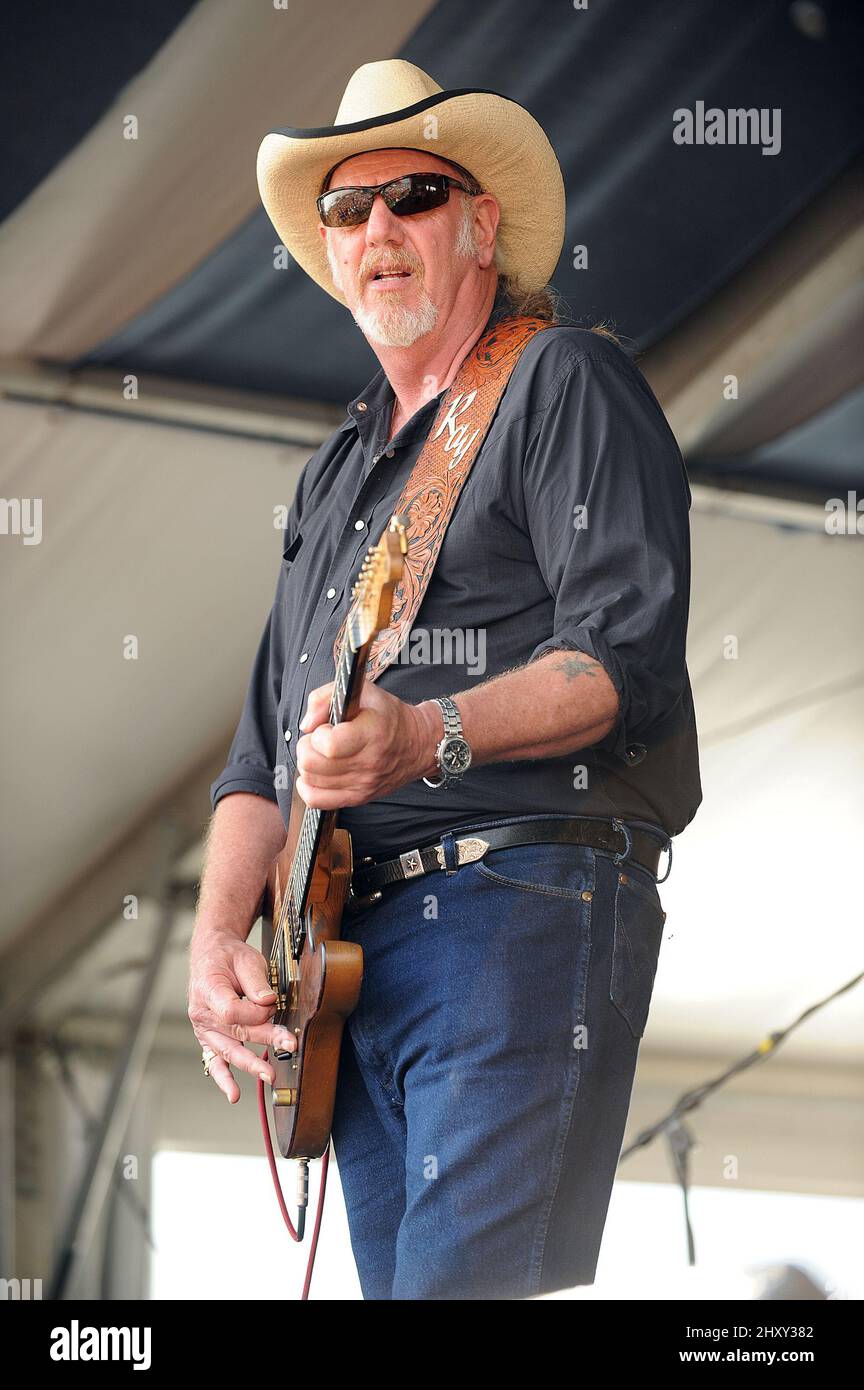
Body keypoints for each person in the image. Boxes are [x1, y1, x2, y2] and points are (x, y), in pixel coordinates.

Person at [187, 59, 702, 1300]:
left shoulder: (560, 379)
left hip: (513, 905)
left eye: (412, 195)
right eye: (348, 212)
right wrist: (211, 942)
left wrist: (425, 736)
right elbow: (261, 756)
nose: (378, 231)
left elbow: (621, 657)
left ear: (482, 228)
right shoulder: (334, 472)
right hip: (342, 957)